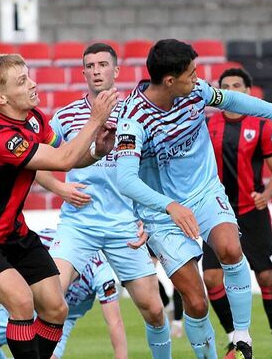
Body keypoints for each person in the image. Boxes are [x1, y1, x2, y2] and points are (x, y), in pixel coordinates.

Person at [115, 39, 272, 359]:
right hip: (163, 214)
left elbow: (232, 99)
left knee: (231, 248)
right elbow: (125, 179)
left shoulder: (194, 91)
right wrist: (169, 206)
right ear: (169, 81)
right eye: (191, 73)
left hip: (204, 192)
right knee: (195, 302)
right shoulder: (133, 119)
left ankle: (242, 337)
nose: (197, 78)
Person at [0, 53, 117, 359]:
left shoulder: (35, 119)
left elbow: (65, 156)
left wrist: (95, 151)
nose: (32, 83)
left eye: (29, 75)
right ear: (0, 97)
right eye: (22, 81)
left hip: (14, 233)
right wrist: (96, 119)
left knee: (55, 307)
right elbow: (63, 160)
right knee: (22, 302)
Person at [33, 43, 172, 359]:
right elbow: (36, 162)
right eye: (90, 66)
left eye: (102, 64)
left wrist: (148, 220)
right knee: (50, 295)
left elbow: (155, 169)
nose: (96, 71)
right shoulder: (66, 116)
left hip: (125, 224)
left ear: (116, 71)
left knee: (153, 309)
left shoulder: (137, 114)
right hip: (78, 224)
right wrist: (60, 189)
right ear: (83, 72)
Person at [205, 68, 272, 359]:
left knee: (265, 277)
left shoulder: (262, 126)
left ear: (248, 91)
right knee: (213, 280)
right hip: (215, 214)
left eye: (237, 85)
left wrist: (266, 195)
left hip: (251, 213)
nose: (231, 90)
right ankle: (233, 339)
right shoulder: (207, 126)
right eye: (225, 86)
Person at [0, 229, 127, 359]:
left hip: (63, 318)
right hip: (25, 303)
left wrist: (121, 356)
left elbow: (115, 321)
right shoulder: (45, 240)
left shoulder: (101, 271)